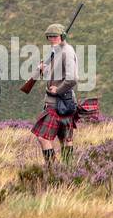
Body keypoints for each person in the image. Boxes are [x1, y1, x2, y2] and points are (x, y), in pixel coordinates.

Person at [31, 24, 79, 166]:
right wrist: (41, 70)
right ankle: (67, 170)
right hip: (61, 102)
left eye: (55, 36)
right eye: (49, 37)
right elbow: (52, 75)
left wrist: (57, 90)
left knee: (43, 138)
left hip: (59, 102)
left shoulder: (67, 52)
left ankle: (53, 170)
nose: (52, 39)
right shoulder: (55, 51)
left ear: (63, 36)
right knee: (65, 139)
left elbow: (72, 78)